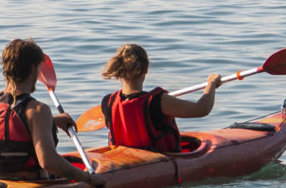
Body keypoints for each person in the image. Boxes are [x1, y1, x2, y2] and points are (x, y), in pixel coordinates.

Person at [0, 38, 96, 183]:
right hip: (30, 187)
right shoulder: (39, 110)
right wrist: (88, 178)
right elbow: (48, 162)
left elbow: (8, 130)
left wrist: (51, 121)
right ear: (33, 68)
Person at [88, 43, 221, 154]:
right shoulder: (157, 101)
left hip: (124, 162)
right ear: (145, 68)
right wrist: (211, 84)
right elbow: (201, 109)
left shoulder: (108, 102)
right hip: (157, 163)